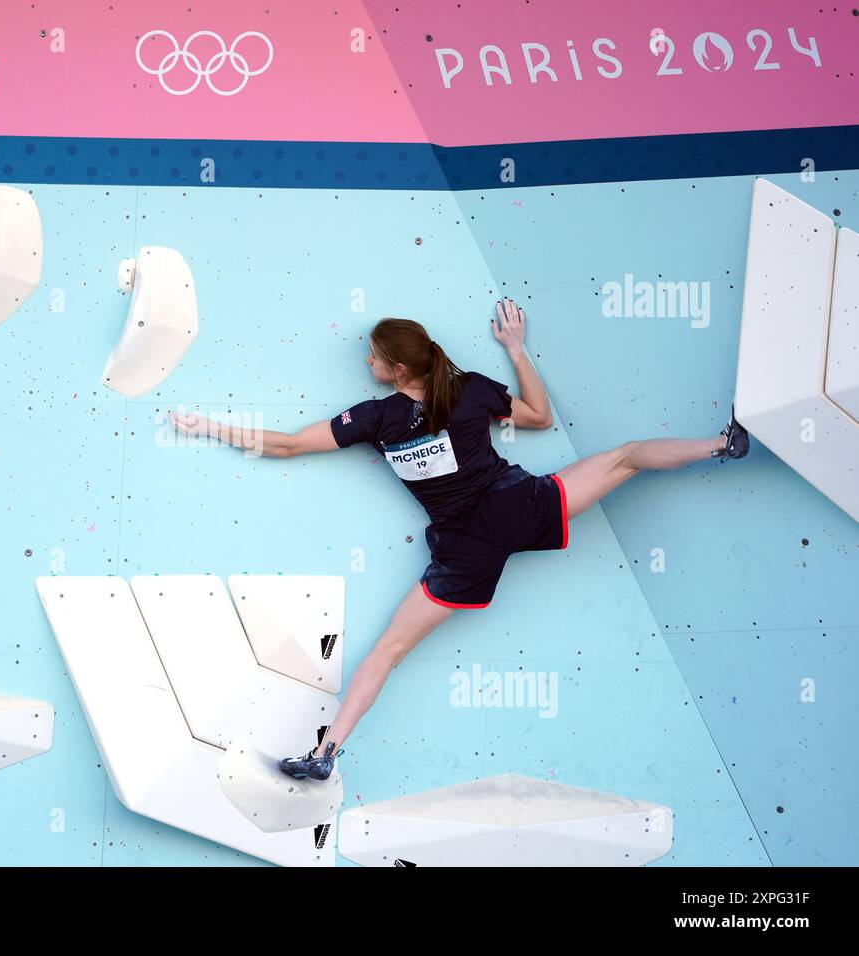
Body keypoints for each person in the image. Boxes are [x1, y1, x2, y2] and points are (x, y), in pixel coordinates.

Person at [169, 298, 748, 781]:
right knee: (626, 456)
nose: (366, 359)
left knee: (388, 651)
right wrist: (516, 349)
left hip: (465, 548)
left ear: (398, 369)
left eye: (373, 354)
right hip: (519, 508)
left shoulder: (375, 418)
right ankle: (722, 444)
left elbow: (290, 445)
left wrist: (212, 427)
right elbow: (540, 417)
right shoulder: (469, 389)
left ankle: (325, 754)